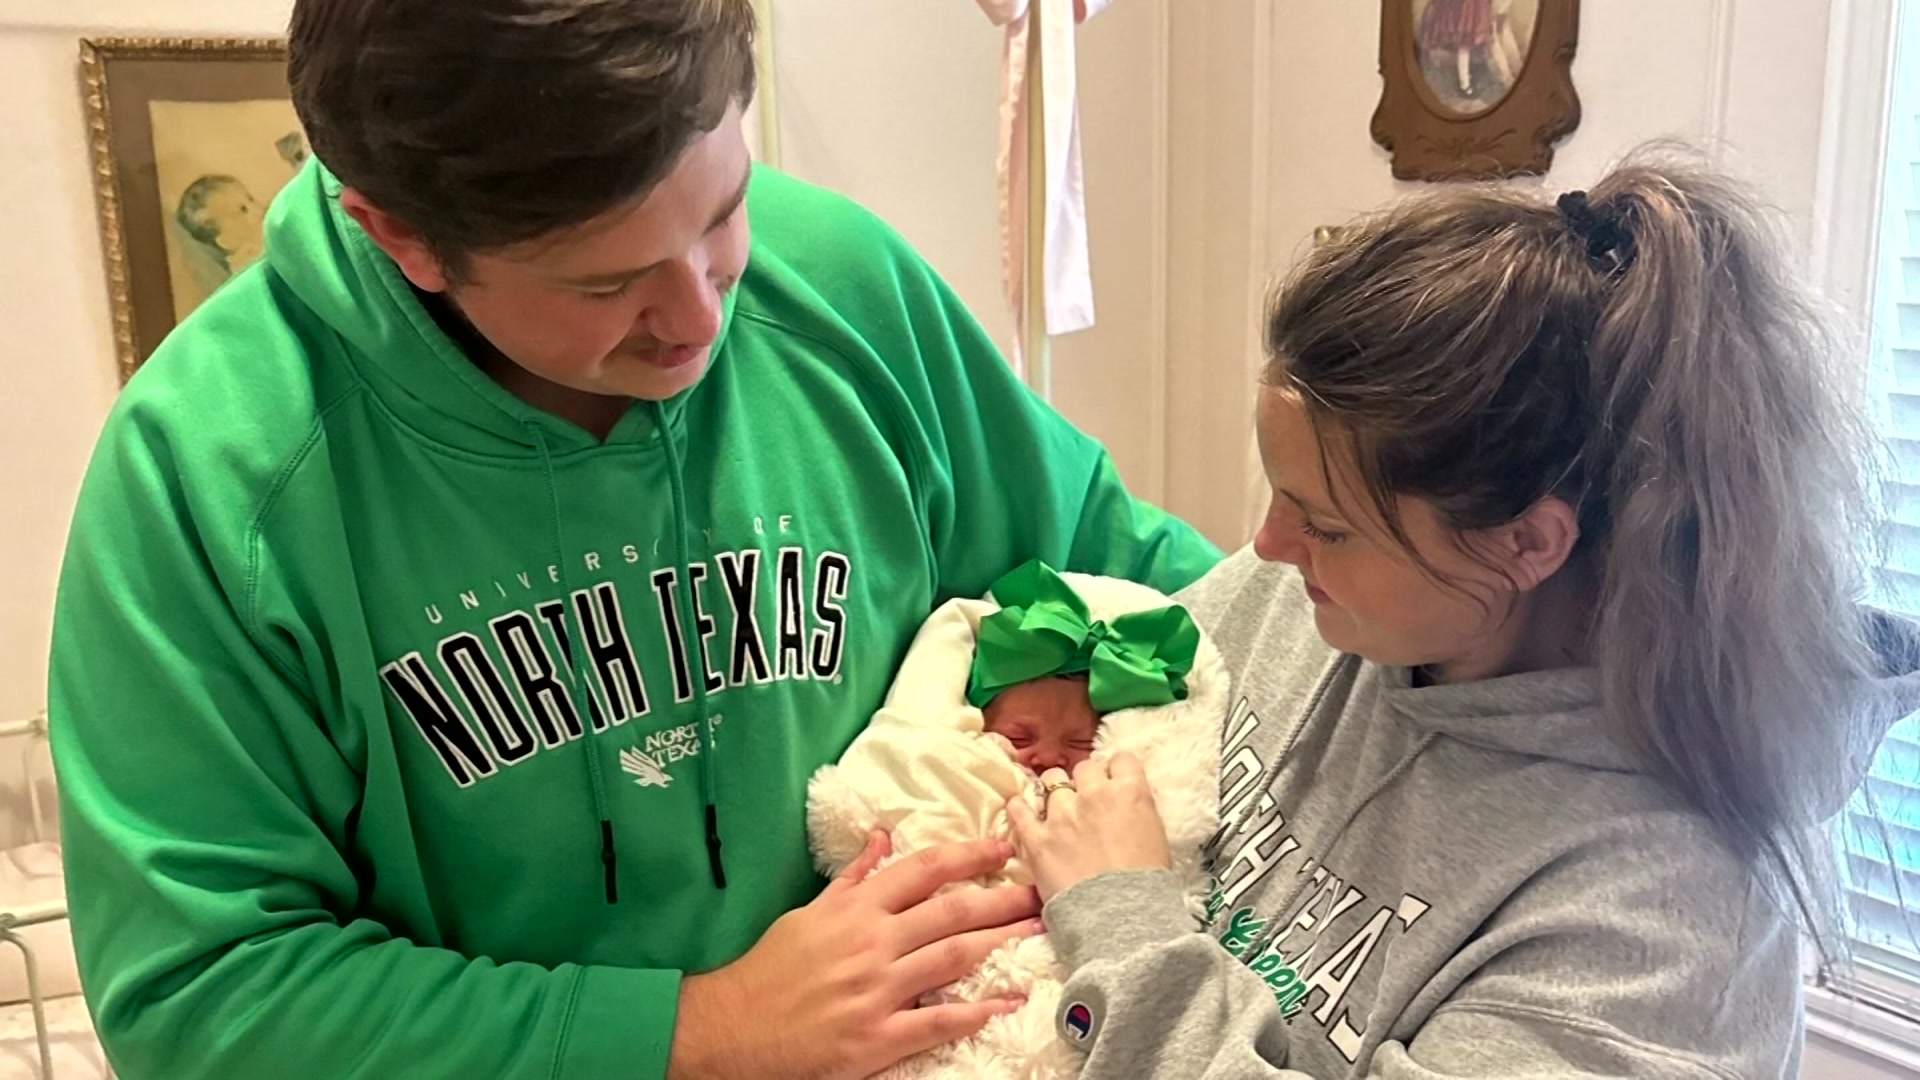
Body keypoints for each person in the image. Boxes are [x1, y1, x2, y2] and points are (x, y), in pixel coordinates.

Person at [47, 2, 1219, 1077]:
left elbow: (1148, 586)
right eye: (605, 285)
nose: (702, 313)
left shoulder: (841, 283)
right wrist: (706, 1027)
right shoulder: (209, 470)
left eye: (724, 211)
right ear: (402, 234)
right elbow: (202, 998)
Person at [1008, 151, 1916, 1076]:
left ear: (1527, 543)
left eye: (1327, 525)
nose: (1269, 545)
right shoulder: (1318, 601)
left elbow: (1117, 903)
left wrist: (1125, 925)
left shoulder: (1667, 946)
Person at [806, 561, 1226, 1077]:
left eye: (1078, 743)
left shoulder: (1106, 798)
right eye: (1020, 737)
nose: (1046, 756)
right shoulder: (960, 761)